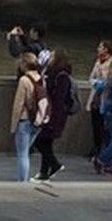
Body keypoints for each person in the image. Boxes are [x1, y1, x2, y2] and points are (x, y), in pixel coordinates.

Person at [34, 49, 74, 181]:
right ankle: (44, 172)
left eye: (52, 56)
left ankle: (55, 164)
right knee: (47, 143)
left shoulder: (62, 77)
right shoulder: (51, 73)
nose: (49, 57)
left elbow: (59, 100)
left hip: (54, 115)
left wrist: (52, 119)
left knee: (40, 141)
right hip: (49, 113)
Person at [10, 53, 43, 182]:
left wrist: (13, 124)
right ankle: (24, 178)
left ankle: (22, 181)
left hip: (25, 119)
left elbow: (18, 103)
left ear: (24, 64)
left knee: (22, 154)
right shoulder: (41, 78)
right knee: (27, 151)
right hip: (37, 120)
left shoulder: (24, 80)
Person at [84, 40, 112, 163]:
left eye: (100, 47)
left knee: (104, 127)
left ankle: (102, 151)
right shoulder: (98, 61)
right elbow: (91, 78)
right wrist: (95, 82)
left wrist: (102, 80)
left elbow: (110, 79)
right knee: (95, 124)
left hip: (105, 98)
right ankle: (96, 147)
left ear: (107, 50)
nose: (98, 49)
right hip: (96, 97)